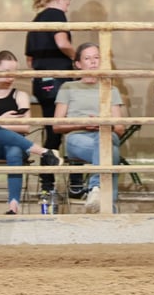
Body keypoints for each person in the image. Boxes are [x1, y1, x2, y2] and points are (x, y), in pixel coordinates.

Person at [0, 50, 61, 215]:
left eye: (14, 73)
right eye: (7, 72)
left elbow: (25, 128)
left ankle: (13, 206)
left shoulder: (20, 95)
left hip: (16, 147)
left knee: (14, 148)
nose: (11, 77)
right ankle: (43, 152)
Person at [52, 43, 126, 213]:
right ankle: (108, 208)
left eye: (96, 57)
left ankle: (95, 189)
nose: (93, 61)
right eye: (87, 58)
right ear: (78, 64)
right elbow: (56, 125)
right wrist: (84, 123)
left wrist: (103, 123)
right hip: (78, 137)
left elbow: (120, 128)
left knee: (106, 143)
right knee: (111, 154)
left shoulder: (111, 89)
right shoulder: (68, 87)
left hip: (106, 134)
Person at [24, 0, 81, 198]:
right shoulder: (56, 14)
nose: (66, 9)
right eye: (67, 4)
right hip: (59, 79)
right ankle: (75, 183)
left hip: (42, 81)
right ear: (59, 0)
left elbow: (29, 60)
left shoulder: (35, 21)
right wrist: (77, 59)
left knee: (51, 131)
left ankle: (47, 183)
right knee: (73, 127)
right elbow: (62, 42)